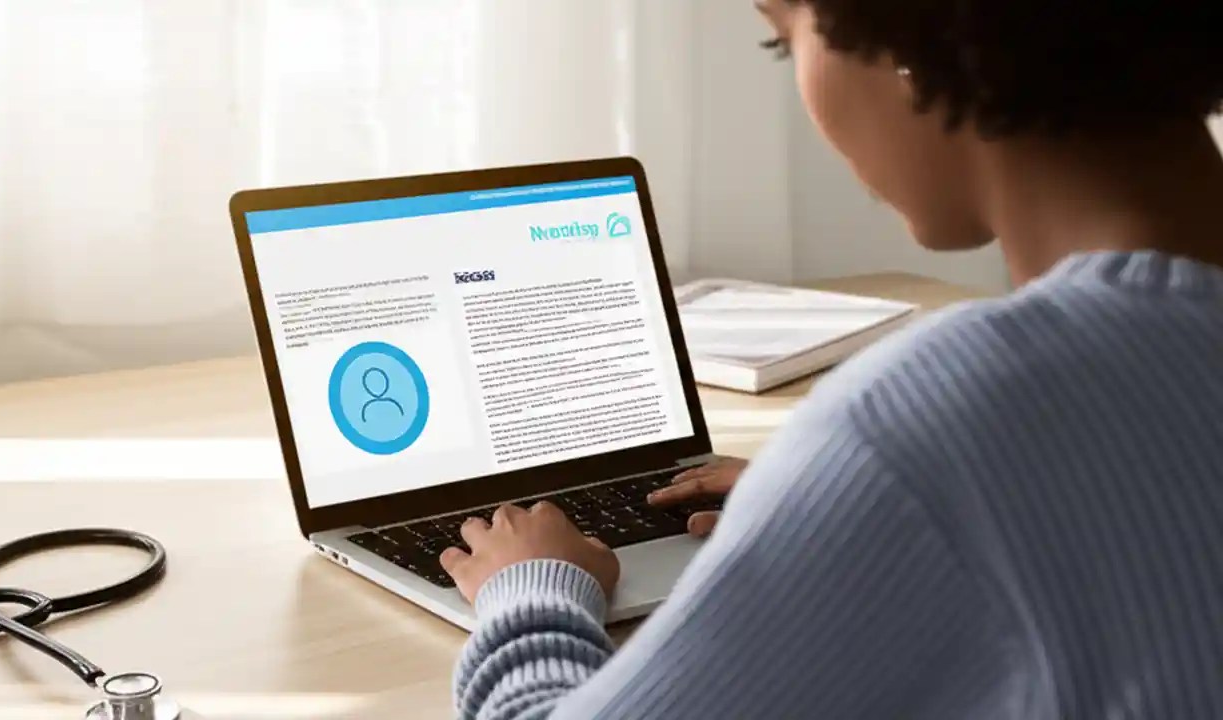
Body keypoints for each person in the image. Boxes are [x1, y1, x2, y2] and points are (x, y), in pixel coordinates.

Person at [439, 0, 1223, 717]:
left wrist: (527, 591)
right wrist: (832, 507)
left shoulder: (934, 426)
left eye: (786, 41)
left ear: (916, 35)